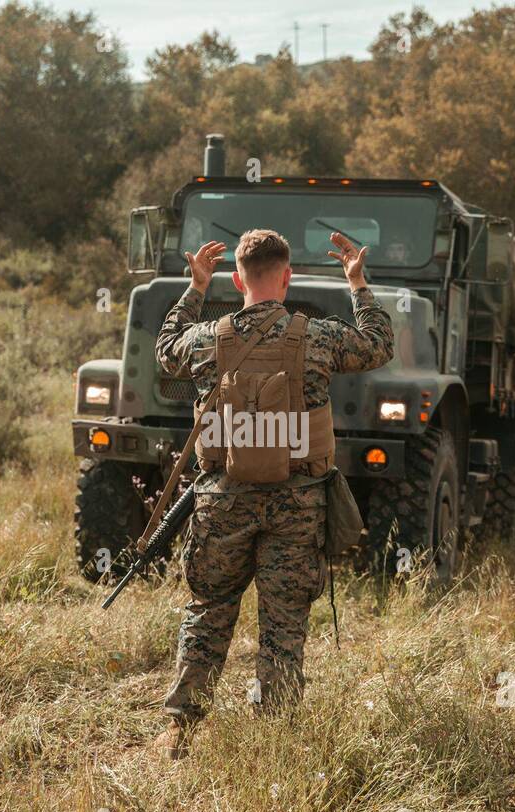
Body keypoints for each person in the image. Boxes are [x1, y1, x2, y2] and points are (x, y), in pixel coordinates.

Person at [151, 228, 394, 758]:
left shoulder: (206, 339)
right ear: (287, 278)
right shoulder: (318, 337)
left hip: (222, 499)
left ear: (236, 279)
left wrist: (195, 288)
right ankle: (275, 735)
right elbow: (379, 346)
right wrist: (358, 285)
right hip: (298, 501)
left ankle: (181, 728)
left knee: (209, 607)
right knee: (284, 621)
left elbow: (166, 349)